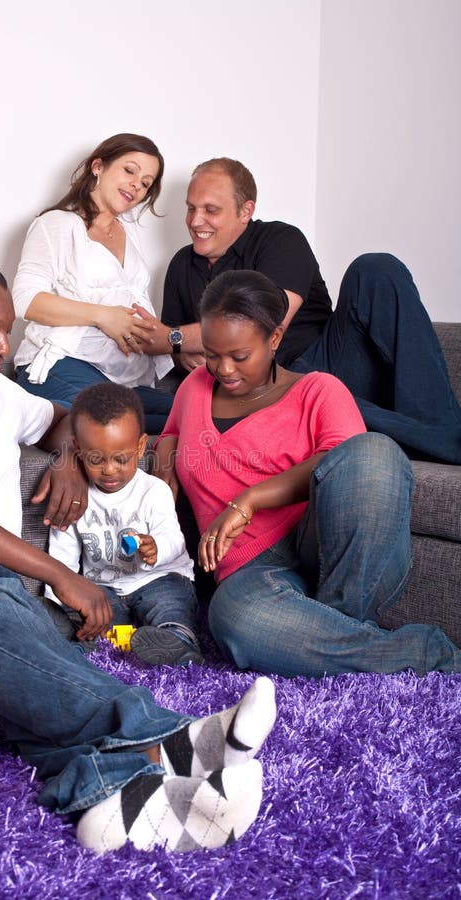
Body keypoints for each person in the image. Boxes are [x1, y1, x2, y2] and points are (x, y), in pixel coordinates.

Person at [0, 253, 279, 853]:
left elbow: (66, 424)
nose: (4, 345)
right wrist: (59, 573)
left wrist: (69, 462)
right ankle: (171, 739)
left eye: (7, 328)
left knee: (18, 670)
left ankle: (111, 803)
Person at [154, 268, 461, 679]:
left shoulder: (319, 390)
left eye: (239, 356)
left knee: (374, 452)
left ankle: (329, 629)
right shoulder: (194, 385)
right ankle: (417, 654)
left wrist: (250, 500)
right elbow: (172, 432)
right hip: (253, 574)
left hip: (326, 547)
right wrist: (161, 478)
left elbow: (349, 462)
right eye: (212, 354)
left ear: (274, 340)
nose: (223, 369)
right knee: (232, 618)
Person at [151, 157, 461, 464]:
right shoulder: (181, 265)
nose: (194, 220)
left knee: (375, 268)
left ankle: (439, 434)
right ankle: (405, 436)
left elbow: (259, 323)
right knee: (155, 403)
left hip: (324, 361)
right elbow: (172, 352)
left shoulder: (281, 240)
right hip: (254, 388)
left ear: (246, 211)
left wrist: (176, 337)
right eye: (191, 208)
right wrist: (179, 349)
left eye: (210, 210)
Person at [12, 133, 175, 434]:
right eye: (130, 170)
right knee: (116, 427)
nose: (136, 185)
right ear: (98, 166)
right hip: (65, 364)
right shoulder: (58, 224)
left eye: (146, 183)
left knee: (189, 414)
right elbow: (26, 300)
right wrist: (104, 316)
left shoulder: (130, 234)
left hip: (123, 378)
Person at [45, 381, 203, 666]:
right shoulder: (76, 496)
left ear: (141, 446)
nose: (109, 470)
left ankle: (176, 641)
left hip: (158, 578)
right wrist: (58, 597)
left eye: (120, 458)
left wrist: (157, 548)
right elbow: (61, 559)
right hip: (105, 586)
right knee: (96, 616)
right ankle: (80, 640)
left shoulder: (153, 490)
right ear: (78, 449)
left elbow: (174, 538)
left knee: (168, 604)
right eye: (95, 459)